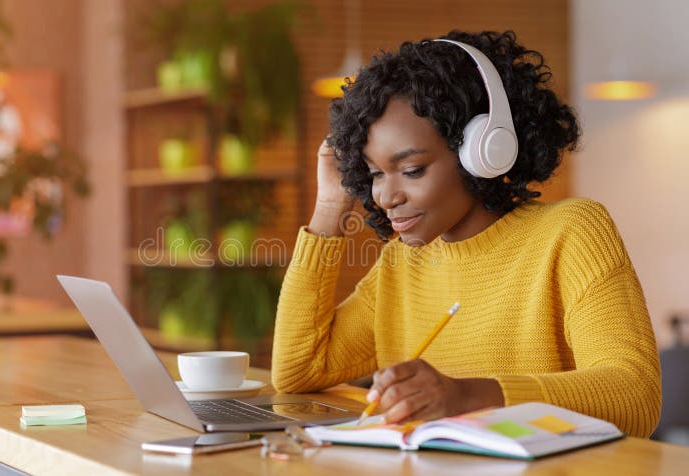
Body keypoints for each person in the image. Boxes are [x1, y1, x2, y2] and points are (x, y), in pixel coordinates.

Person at [271, 30, 661, 438]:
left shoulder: (572, 232)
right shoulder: (402, 263)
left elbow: (635, 396)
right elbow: (298, 371)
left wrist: (468, 396)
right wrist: (330, 206)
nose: (386, 196)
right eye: (373, 174)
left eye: (412, 170)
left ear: (483, 151)